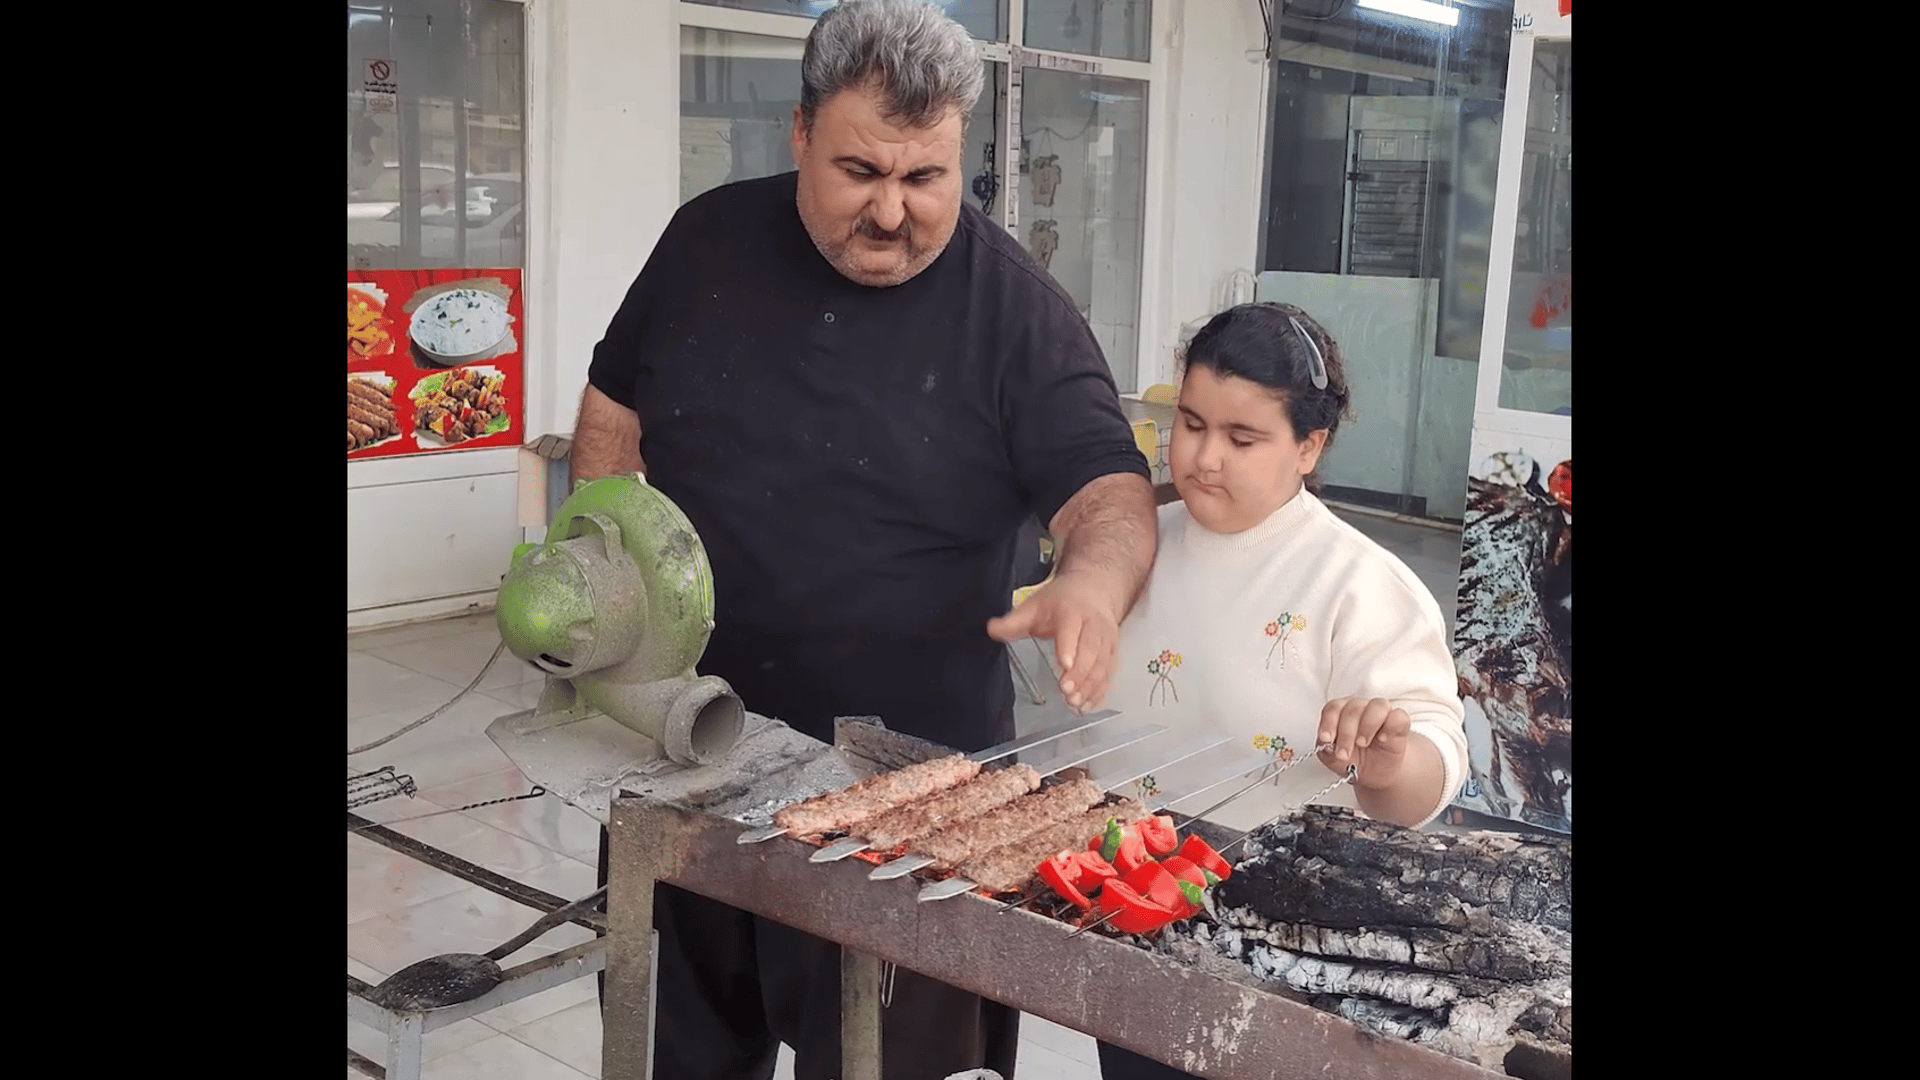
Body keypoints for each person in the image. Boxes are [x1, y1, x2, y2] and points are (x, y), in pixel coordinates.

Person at [570, 2, 1158, 1077]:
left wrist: (1093, 583)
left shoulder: (1017, 313)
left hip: (912, 803)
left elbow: (1107, 496)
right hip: (690, 752)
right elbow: (613, 413)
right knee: (680, 1055)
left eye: (926, 178)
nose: (892, 212)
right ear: (799, 132)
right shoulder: (706, 240)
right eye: (860, 171)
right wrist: (601, 575)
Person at [1084, 302, 1470, 1080]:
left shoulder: (1357, 582)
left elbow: (1431, 770)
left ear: (1308, 446)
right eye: (1191, 424)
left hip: (1277, 946)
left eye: (1242, 438)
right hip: (1124, 907)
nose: (1204, 458)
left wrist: (1391, 761)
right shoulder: (1136, 543)